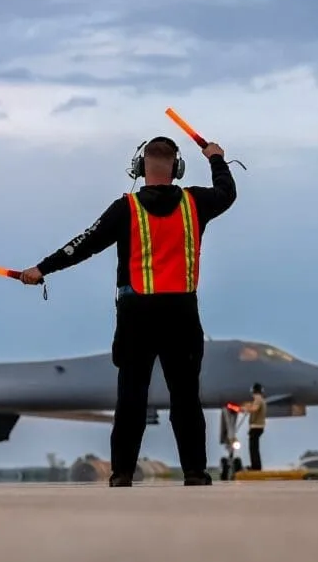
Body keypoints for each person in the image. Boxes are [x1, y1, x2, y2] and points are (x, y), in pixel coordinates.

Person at [18, 135, 237, 486]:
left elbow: (83, 244)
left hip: (137, 315)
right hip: (181, 312)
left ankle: (121, 474)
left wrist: (42, 269)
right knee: (185, 398)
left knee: (131, 396)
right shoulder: (196, 202)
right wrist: (215, 158)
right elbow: (227, 193)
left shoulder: (126, 209)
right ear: (177, 168)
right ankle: (195, 472)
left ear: (140, 167)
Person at [243, 383, 266, 471]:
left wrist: (246, 409)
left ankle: (255, 467)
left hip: (256, 427)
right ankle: (256, 466)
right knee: (254, 447)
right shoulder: (261, 400)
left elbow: (254, 409)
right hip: (259, 426)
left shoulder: (258, 399)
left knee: (253, 448)